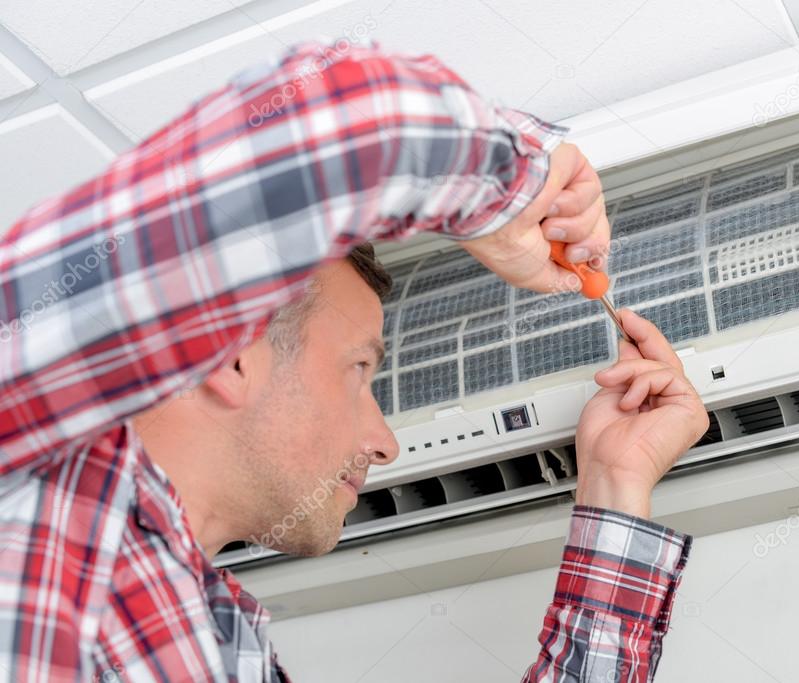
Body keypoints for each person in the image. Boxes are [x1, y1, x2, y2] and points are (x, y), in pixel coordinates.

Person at [0, 41, 709, 682]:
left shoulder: (208, 648)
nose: (385, 441)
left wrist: (615, 486)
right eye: (361, 368)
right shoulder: (35, 480)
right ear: (234, 355)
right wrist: (516, 199)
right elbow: (356, 119)